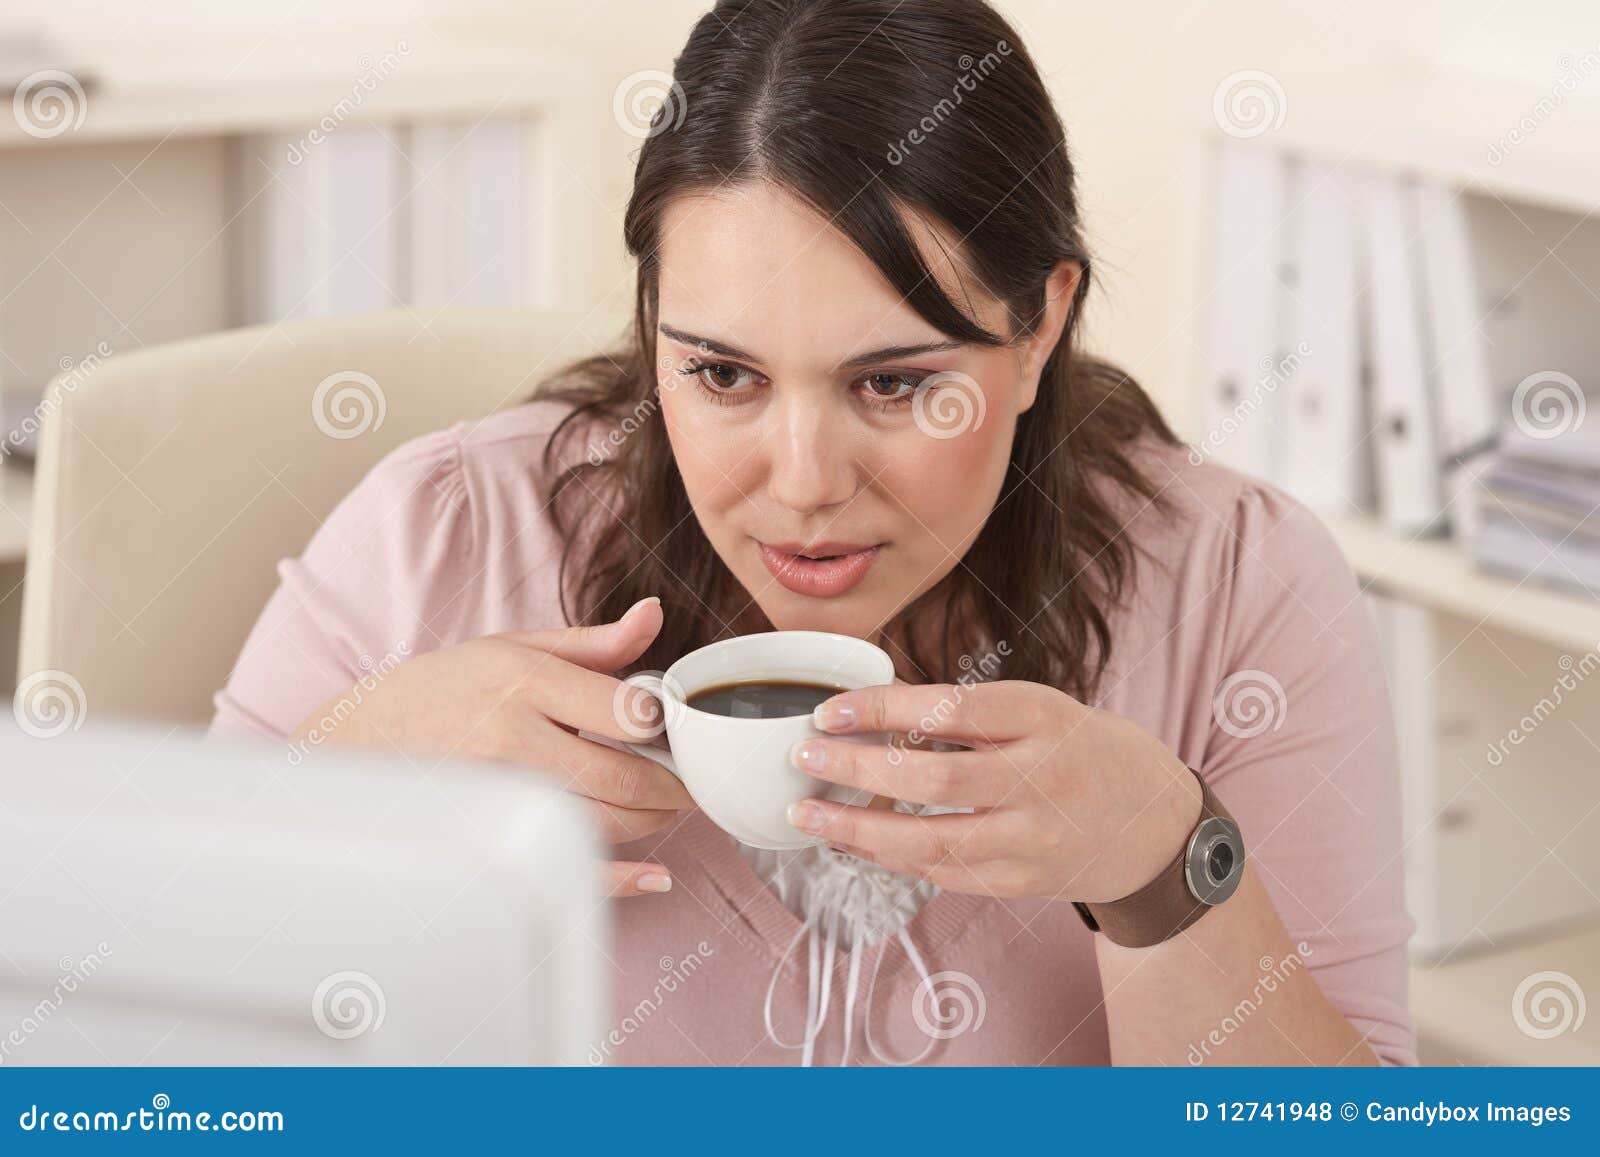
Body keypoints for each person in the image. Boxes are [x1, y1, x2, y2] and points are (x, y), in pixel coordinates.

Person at [210, 0, 1415, 1066]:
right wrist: (346, 780)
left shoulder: (1240, 583)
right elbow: (120, 1043)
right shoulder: (438, 542)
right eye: (721, 373)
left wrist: (1161, 862)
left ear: (1040, 323)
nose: (799, 485)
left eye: (893, 384)